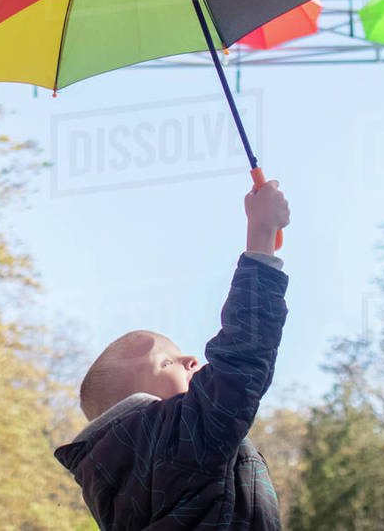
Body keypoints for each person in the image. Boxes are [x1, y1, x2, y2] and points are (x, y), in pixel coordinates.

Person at [54, 181, 291, 530]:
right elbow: (241, 358)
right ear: (135, 407)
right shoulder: (176, 437)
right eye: (167, 361)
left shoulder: (113, 482)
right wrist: (261, 234)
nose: (191, 360)